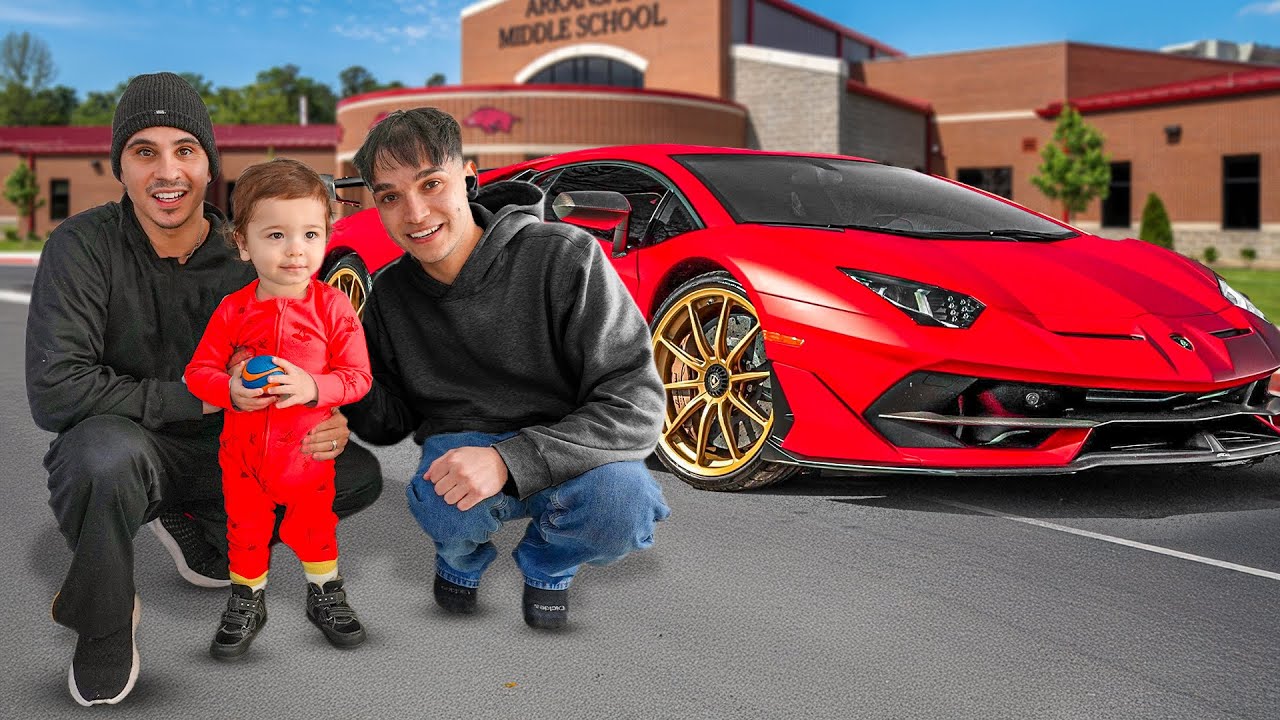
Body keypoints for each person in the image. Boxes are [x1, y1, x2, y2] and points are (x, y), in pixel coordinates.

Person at [24, 73, 382, 706]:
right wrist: (203, 396)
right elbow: (56, 390)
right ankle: (105, 620)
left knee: (351, 475)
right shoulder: (81, 248)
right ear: (121, 165)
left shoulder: (246, 254)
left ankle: (199, 527)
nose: (168, 171)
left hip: (234, 451)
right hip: (135, 446)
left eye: (185, 150)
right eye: (145, 151)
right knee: (99, 459)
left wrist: (320, 408)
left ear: (209, 163)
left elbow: (308, 355)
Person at [344, 107, 670, 631]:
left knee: (622, 506)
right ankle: (460, 556)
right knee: (446, 503)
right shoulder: (390, 292)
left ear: (468, 178)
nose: (415, 211)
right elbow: (389, 421)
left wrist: (507, 460)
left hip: (569, 445)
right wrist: (337, 374)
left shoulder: (565, 256)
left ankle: (549, 564)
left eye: (431, 184)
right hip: (460, 443)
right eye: (390, 196)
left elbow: (637, 405)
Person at [185, 158, 372, 658]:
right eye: (275, 236)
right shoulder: (233, 310)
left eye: (311, 234)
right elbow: (197, 372)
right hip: (243, 455)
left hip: (309, 455)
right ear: (243, 244)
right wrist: (229, 389)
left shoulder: (334, 308)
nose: (295, 250)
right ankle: (247, 598)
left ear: (325, 238)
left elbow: (358, 378)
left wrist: (314, 385)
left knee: (316, 529)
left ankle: (324, 592)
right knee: (245, 532)